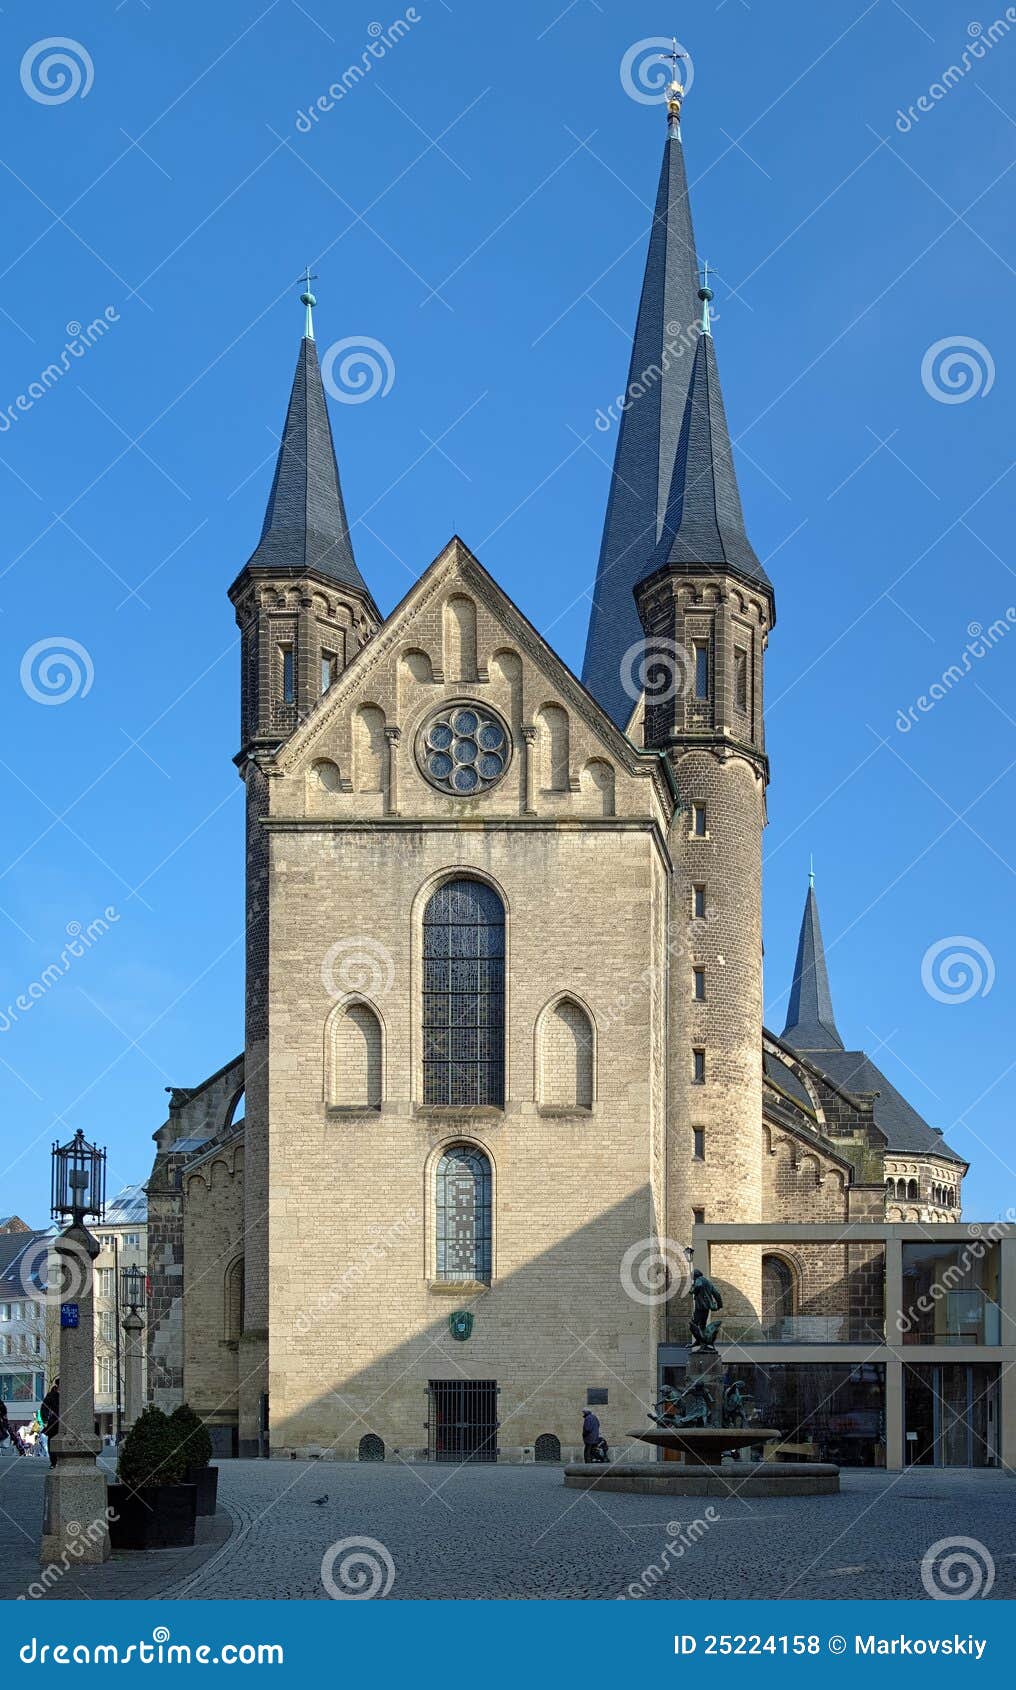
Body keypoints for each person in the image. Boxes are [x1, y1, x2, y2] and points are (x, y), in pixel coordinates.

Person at [40, 1379, 59, 1468]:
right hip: (54, 1421)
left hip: (66, 1420)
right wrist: (45, 1420)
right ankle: (53, 1462)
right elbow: (44, 1407)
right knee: (51, 1440)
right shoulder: (51, 1395)